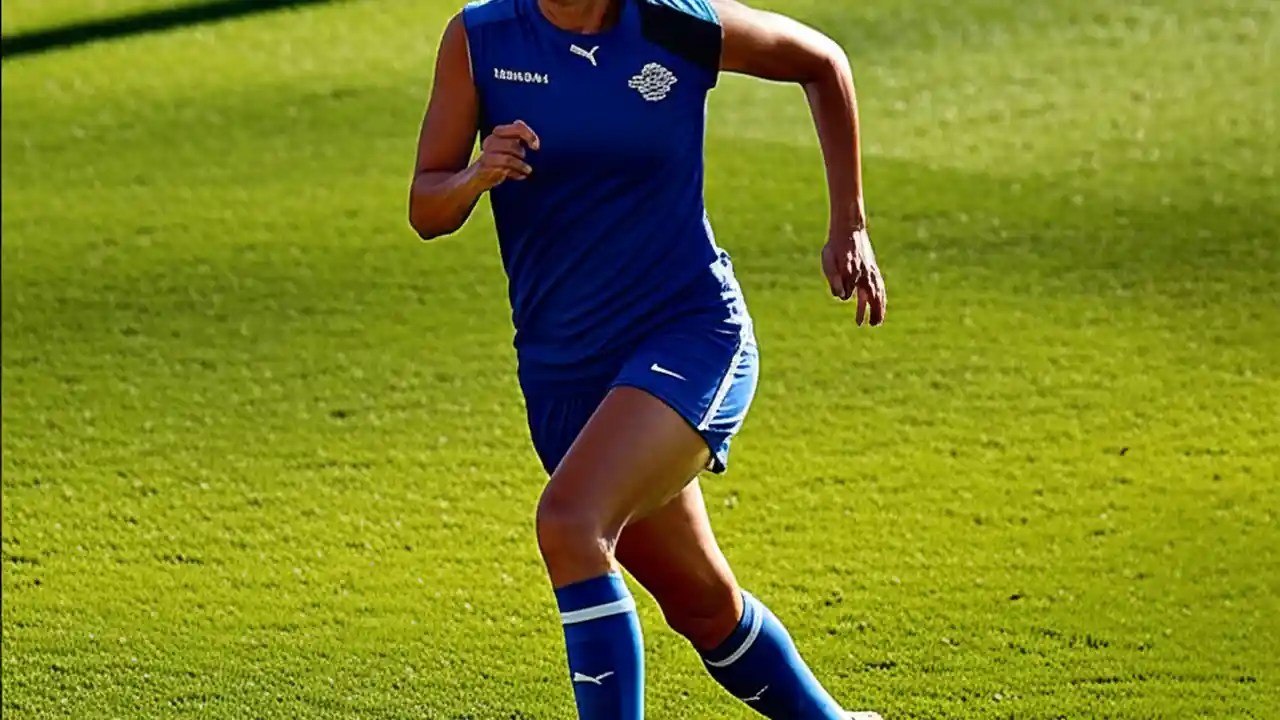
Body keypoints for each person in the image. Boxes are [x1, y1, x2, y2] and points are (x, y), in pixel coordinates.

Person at [408, 0, 887, 716]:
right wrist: (477, 175)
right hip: (564, 375)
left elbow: (822, 63)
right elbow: (425, 206)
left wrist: (849, 224)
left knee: (570, 523)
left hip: (691, 333)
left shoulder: (677, 23)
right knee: (703, 606)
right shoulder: (480, 39)